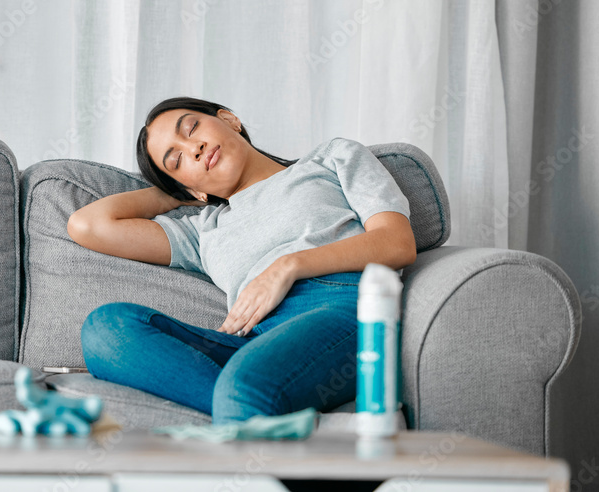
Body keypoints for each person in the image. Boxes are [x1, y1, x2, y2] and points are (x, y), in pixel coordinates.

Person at [67, 97, 415, 425]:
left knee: (243, 384)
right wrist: (175, 195)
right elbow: (88, 225)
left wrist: (287, 266)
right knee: (106, 330)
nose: (194, 148)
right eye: (177, 161)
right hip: (253, 339)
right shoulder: (202, 231)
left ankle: (248, 405)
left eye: (191, 129)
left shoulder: (330, 159)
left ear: (229, 120)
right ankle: (257, 411)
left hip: (341, 309)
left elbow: (396, 243)